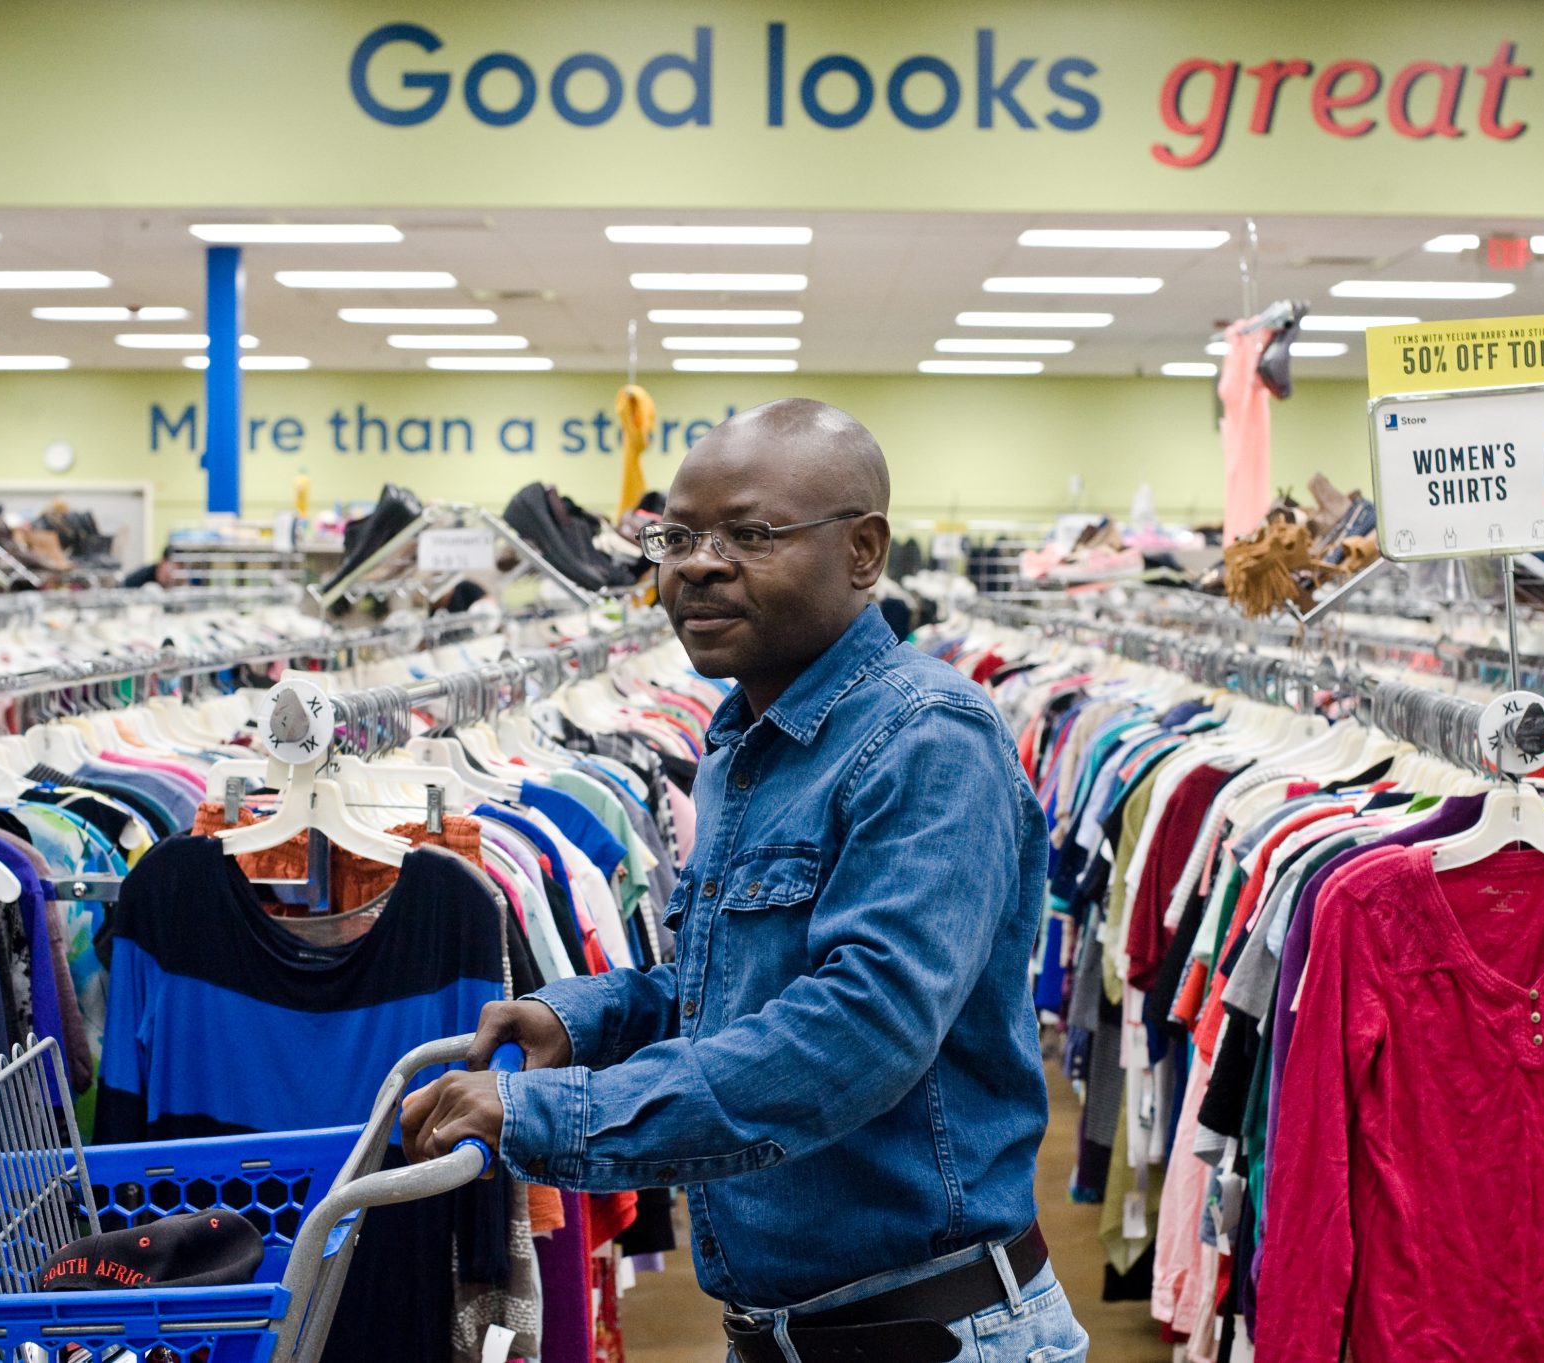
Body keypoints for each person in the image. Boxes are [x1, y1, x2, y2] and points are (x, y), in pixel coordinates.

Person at [401, 400, 1087, 1363]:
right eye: (676, 536)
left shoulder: (930, 739)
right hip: (779, 1333)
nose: (698, 563)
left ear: (863, 551)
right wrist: (583, 1020)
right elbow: (730, 990)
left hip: (932, 1332)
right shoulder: (741, 744)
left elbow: (859, 1029)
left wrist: (556, 1114)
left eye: (750, 535)